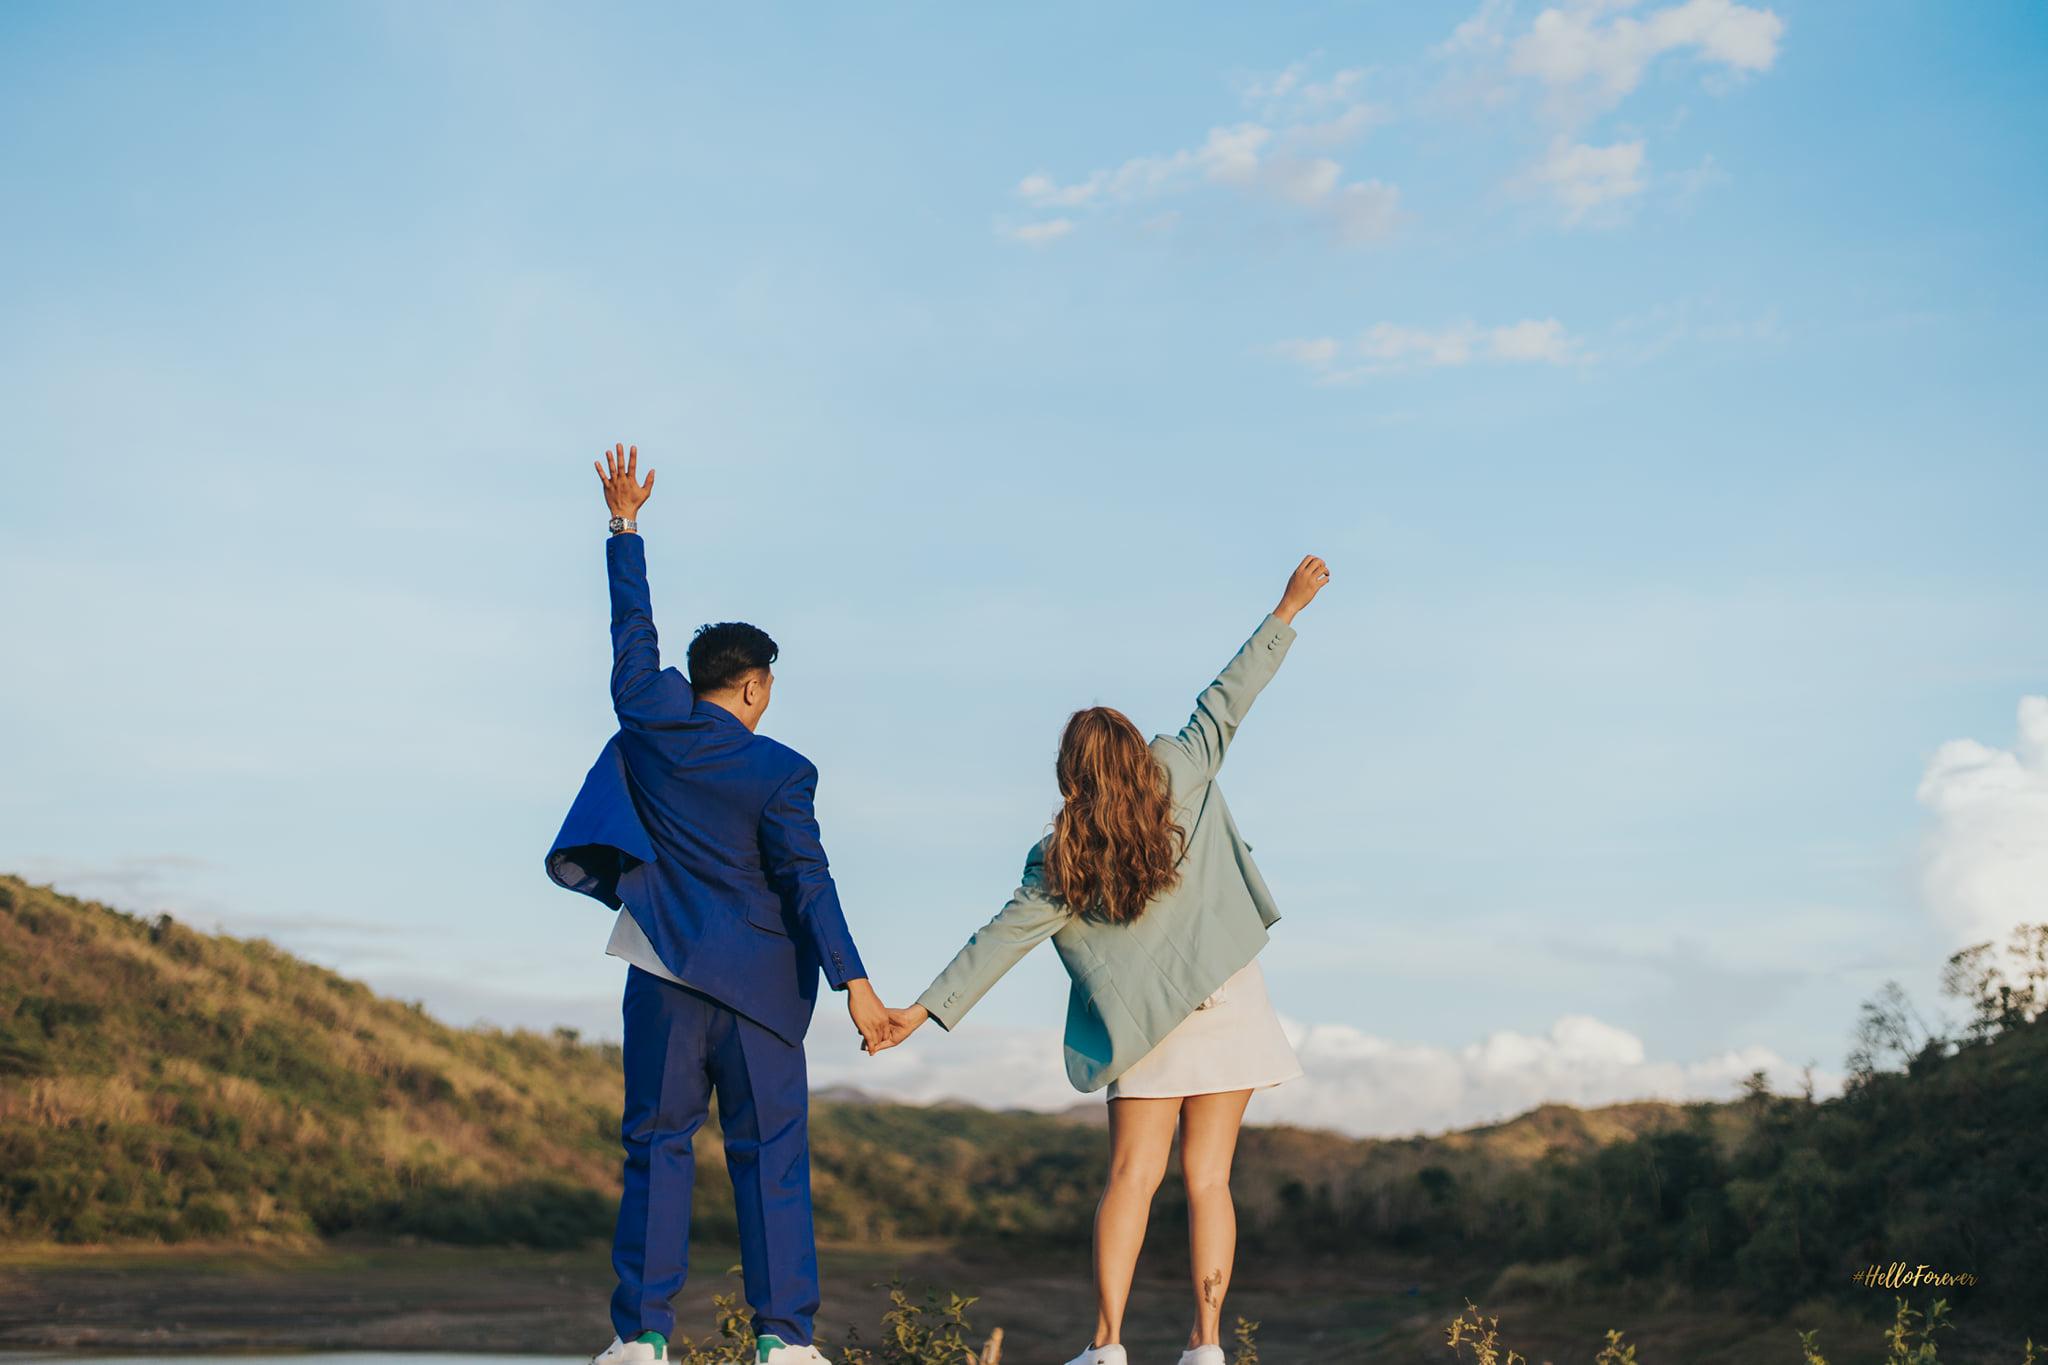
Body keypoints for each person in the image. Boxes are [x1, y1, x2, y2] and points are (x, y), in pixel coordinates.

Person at [871, 554, 1331, 1365]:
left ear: (1069, 775)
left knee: (1130, 1179)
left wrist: (922, 1009)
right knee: (1209, 1182)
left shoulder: (1061, 857)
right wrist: (1287, 606)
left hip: (1143, 1029)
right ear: (1130, 751)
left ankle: (1108, 1346)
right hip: (1229, 1001)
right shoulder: (1180, 769)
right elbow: (1229, 695)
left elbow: (998, 939)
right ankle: (1206, 1345)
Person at [546, 444, 890, 1365]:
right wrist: (856, 984)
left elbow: (632, 638)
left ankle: (642, 1338)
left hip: (660, 966)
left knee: (656, 1148)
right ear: (752, 686)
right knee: (769, 1160)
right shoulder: (782, 771)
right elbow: (808, 881)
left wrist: (625, 527)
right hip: (760, 991)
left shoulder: (652, 718)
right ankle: (784, 1342)